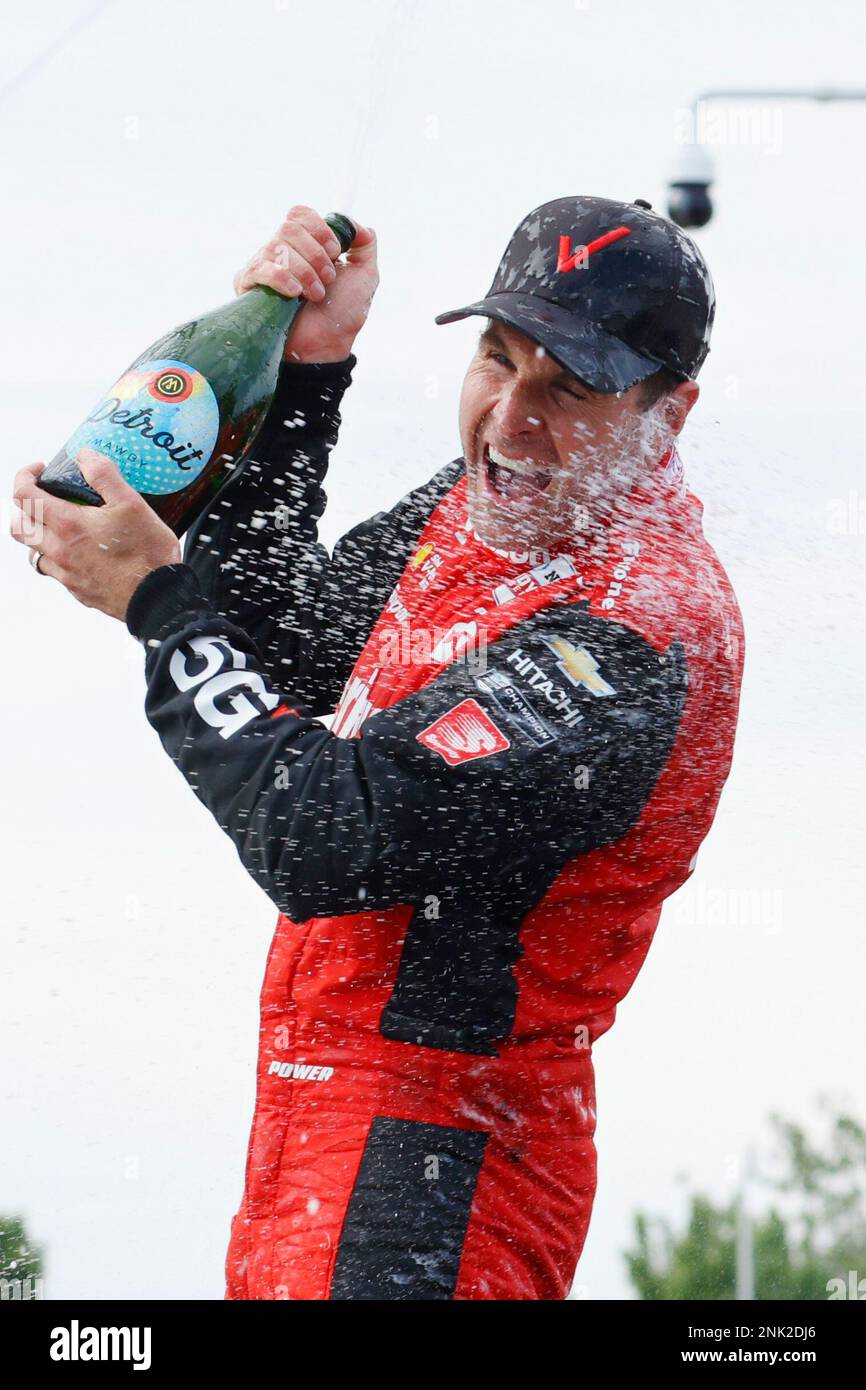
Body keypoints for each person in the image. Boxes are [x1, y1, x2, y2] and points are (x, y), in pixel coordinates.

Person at [12, 196, 745, 1301]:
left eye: (569, 389)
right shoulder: (483, 504)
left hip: (443, 1175)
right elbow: (286, 645)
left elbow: (325, 834)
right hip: (315, 1133)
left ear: (666, 415)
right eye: (495, 361)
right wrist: (304, 373)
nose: (509, 422)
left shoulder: (634, 634)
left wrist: (159, 605)